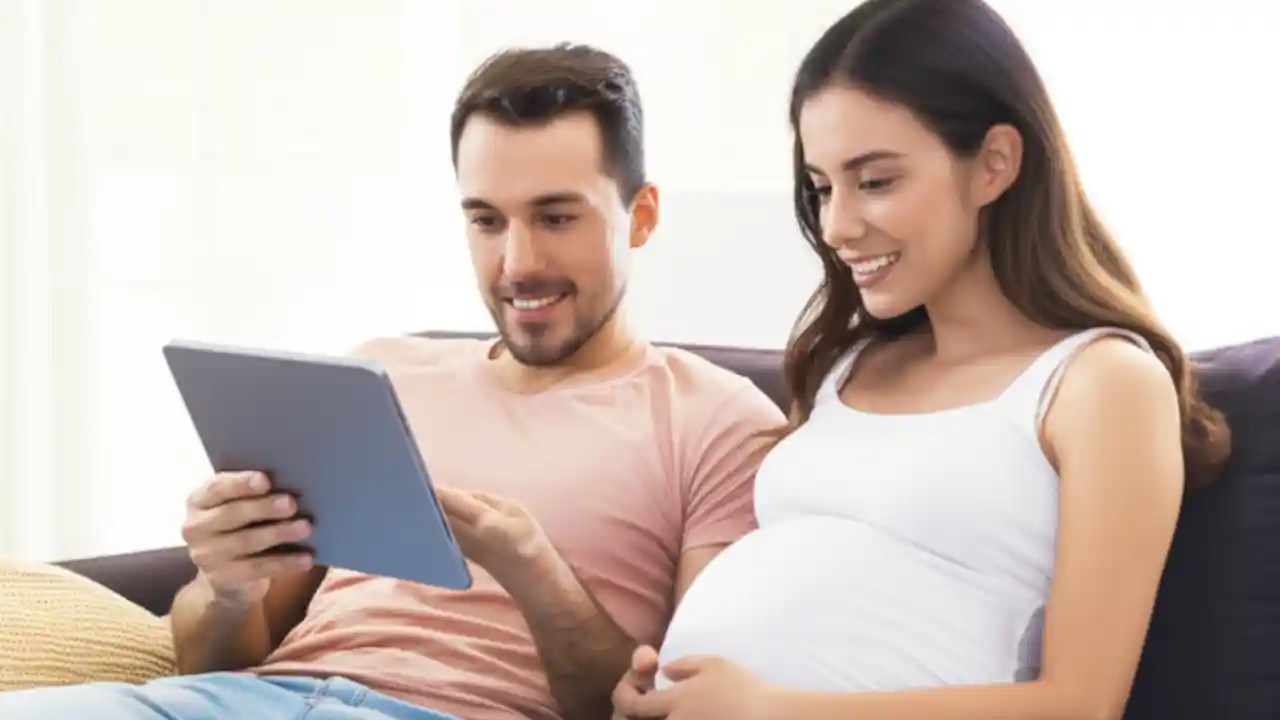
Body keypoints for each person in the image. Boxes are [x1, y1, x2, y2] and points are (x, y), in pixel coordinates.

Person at [0, 44, 783, 720]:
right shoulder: (384, 373)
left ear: (639, 216)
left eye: (556, 218)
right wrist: (227, 586)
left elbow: (669, 709)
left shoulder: (717, 419)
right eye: (486, 220)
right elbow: (215, 660)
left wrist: (534, 573)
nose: (517, 266)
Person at [611, 1, 1232, 719]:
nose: (838, 226)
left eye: (875, 181)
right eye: (820, 188)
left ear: (994, 164)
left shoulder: (1100, 383)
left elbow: (1080, 704)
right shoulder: (846, 369)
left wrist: (773, 709)